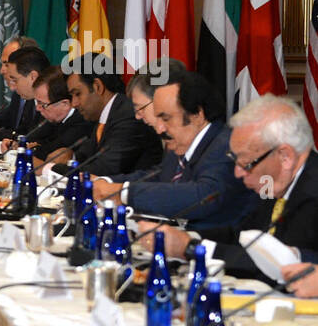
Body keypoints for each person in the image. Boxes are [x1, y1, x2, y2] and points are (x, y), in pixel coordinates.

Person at [143, 95, 318, 284]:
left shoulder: (312, 191)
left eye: (246, 163)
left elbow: (278, 266)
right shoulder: (273, 182)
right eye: (235, 161)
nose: (237, 173)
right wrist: (184, 237)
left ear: (285, 157)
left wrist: (191, 248)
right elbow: (241, 234)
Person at [91, 64, 249, 228]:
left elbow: (202, 195)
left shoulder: (226, 144)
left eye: (166, 119)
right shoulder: (179, 144)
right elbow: (160, 176)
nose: (160, 128)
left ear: (197, 115)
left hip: (216, 248)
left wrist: (123, 193)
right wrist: (105, 182)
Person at [47, 54, 162, 176]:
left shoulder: (129, 115)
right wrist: (70, 155)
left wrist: (49, 168)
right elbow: (87, 155)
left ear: (97, 86)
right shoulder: (104, 115)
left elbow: (104, 169)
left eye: (78, 94)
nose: (74, 103)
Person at [26, 68, 88, 165]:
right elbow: (32, 137)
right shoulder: (53, 116)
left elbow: (48, 153)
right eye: (36, 102)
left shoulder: (82, 122)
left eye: (42, 104)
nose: (37, 108)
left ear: (65, 104)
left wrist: (34, 148)